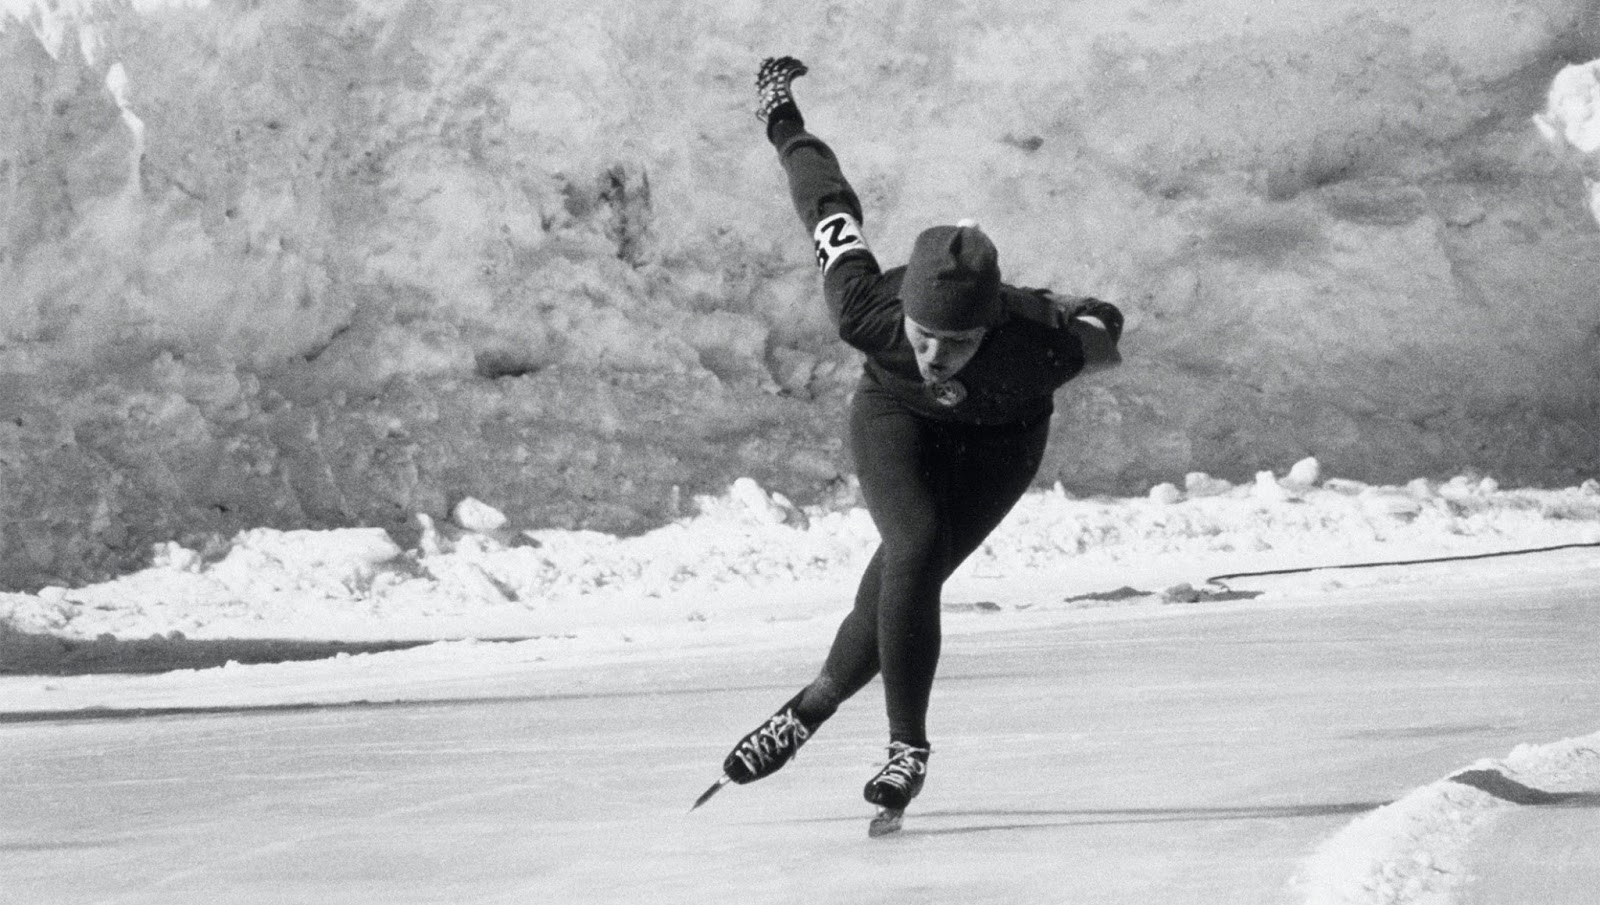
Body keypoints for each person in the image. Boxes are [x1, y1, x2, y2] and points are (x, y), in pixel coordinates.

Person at [704, 56, 1125, 824]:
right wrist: (782, 119)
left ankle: (810, 705)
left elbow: (1107, 334)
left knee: (912, 567)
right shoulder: (865, 307)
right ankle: (909, 747)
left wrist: (1069, 308)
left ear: (990, 327)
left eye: (958, 344)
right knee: (916, 541)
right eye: (924, 335)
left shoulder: (1037, 345)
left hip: (1002, 442)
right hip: (894, 416)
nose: (935, 355)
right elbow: (825, 200)